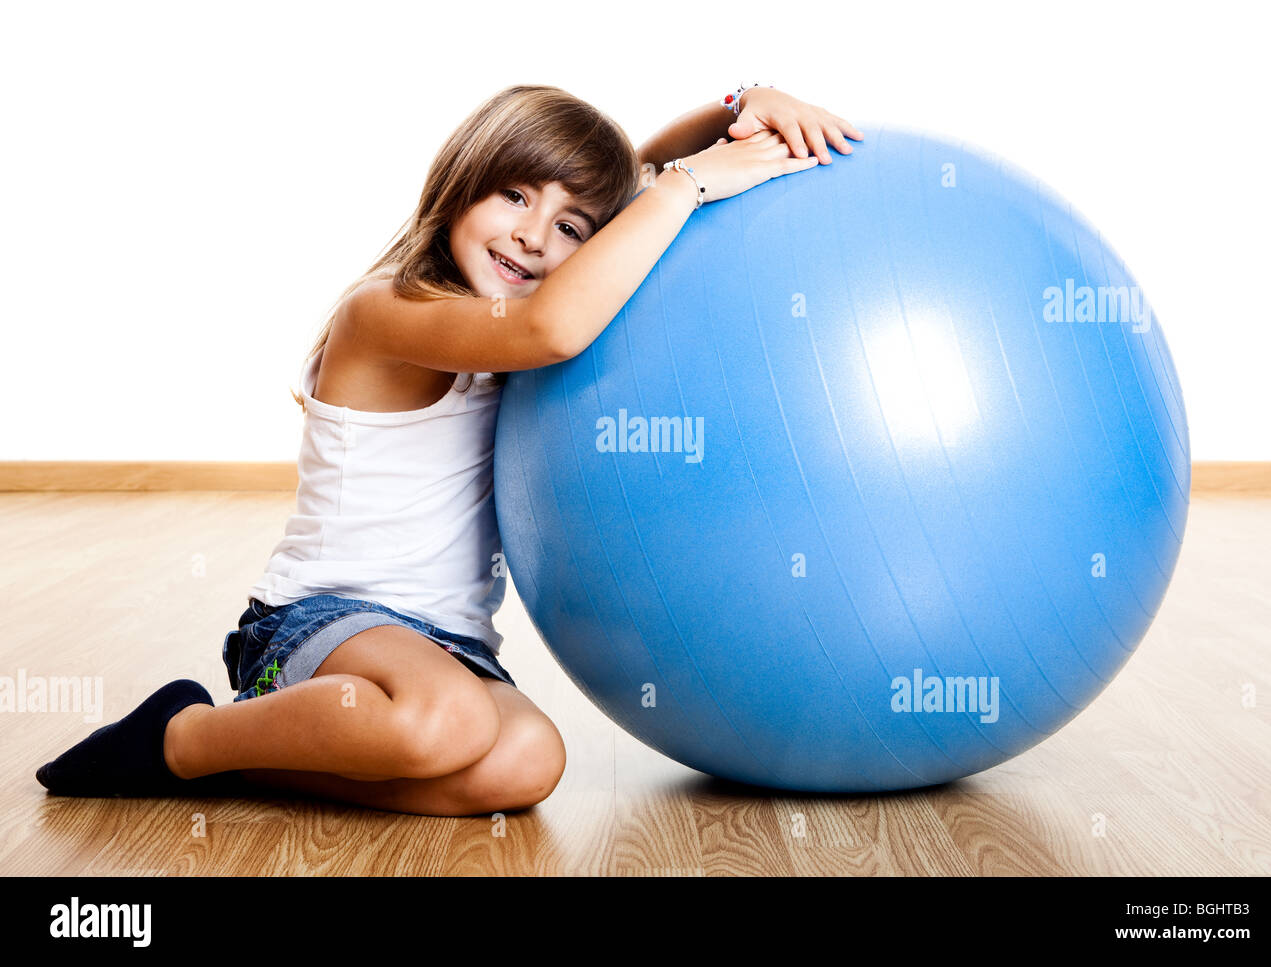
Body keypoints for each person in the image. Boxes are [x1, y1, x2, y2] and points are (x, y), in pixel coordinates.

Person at [35, 82, 863, 816]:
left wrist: (737, 103)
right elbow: (554, 325)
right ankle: (186, 735)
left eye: (570, 226)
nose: (534, 236)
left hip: (450, 645)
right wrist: (691, 181)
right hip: (314, 621)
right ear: (462, 182)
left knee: (530, 762)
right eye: (512, 195)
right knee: (451, 720)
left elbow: (634, 171)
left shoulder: (537, 288)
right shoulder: (383, 312)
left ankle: (266, 755)